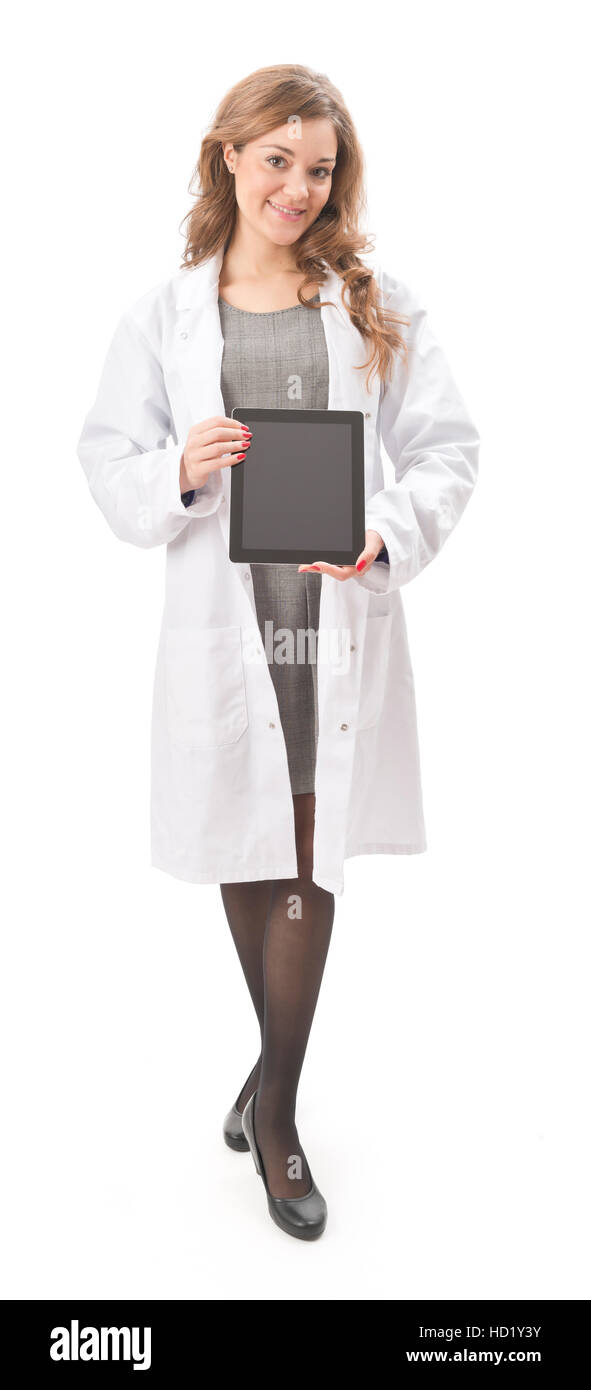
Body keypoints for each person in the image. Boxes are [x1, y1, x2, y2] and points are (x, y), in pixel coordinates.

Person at [77, 64, 479, 1241]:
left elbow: (448, 447)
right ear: (228, 157)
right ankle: (272, 1085)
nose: (299, 189)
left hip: (332, 621)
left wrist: (387, 528)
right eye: (277, 162)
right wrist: (181, 470)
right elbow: (109, 462)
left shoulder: (370, 299)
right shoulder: (165, 313)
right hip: (226, 629)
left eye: (320, 169)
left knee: (307, 851)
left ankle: (279, 1109)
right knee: (250, 845)